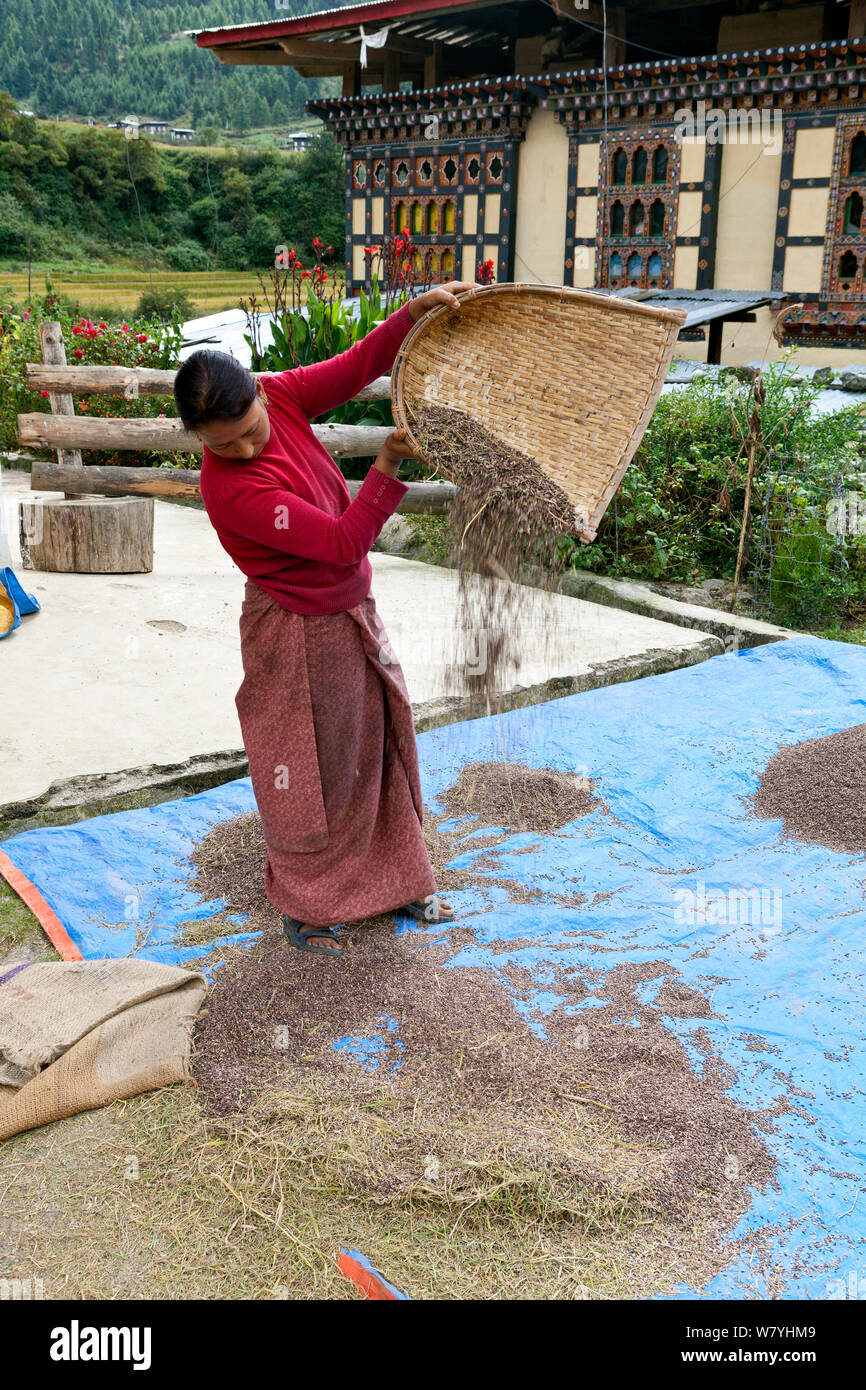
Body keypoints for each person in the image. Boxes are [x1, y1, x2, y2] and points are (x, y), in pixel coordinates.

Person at [174, 280, 477, 958]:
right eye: (225, 445)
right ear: (200, 440)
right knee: (307, 766)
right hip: (295, 628)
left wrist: (414, 310)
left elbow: (361, 361)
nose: (247, 450)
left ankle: (400, 877)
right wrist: (388, 466)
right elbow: (343, 541)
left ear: (259, 394)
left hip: (348, 609)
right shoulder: (234, 491)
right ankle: (311, 905)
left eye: (251, 431)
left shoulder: (282, 394)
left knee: (381, 742)